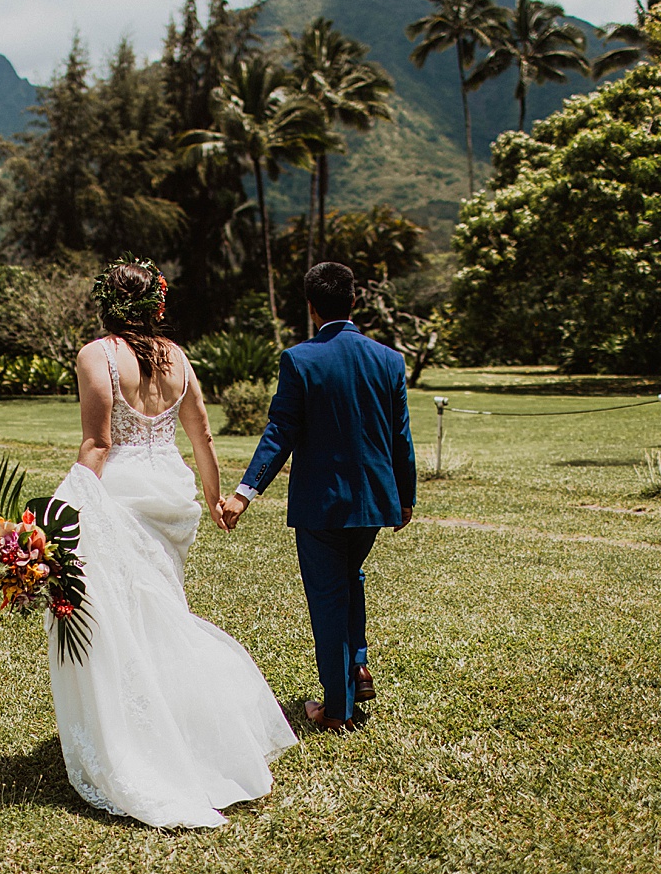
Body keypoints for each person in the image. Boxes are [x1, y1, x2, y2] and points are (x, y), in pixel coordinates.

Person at [46, 257, 297, 829]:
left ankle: (151, 739)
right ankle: (184, 729)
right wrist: (214, 498)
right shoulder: (177, 358)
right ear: (157, 304)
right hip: (173, 496)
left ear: (106, 302)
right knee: (158, 612)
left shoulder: (97, 355)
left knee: (130, 620)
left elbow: (96, 444)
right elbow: (201, 432)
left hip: (124, 497)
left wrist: (59, 513)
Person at [220, 261, 416, 733]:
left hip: (320, 507)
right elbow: (400, 436)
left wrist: (245, 492)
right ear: (354, 300)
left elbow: (281, 432)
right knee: (352, 578)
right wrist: (404, 497)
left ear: (310, 308)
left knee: (328, 599)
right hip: (372, 503)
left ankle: (336, 709)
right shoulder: (389, 360)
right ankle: (356, 666)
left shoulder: (300, 359)